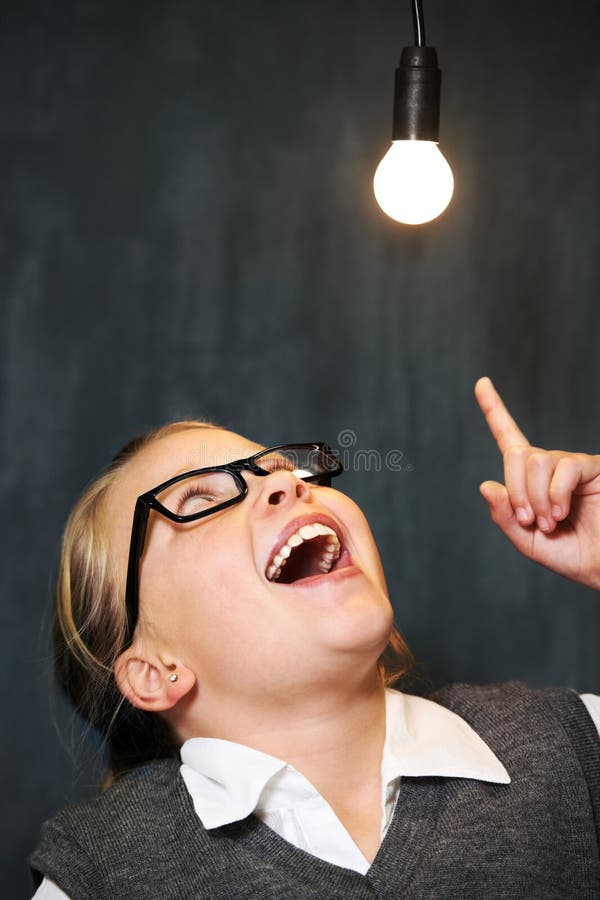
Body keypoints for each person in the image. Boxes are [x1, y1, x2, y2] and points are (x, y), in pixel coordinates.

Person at [30, 377, 600, 899]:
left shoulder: (573, 747)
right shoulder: (100, 877)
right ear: (157, 670)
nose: (284, 484)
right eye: (201, 499)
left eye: (283, 468)